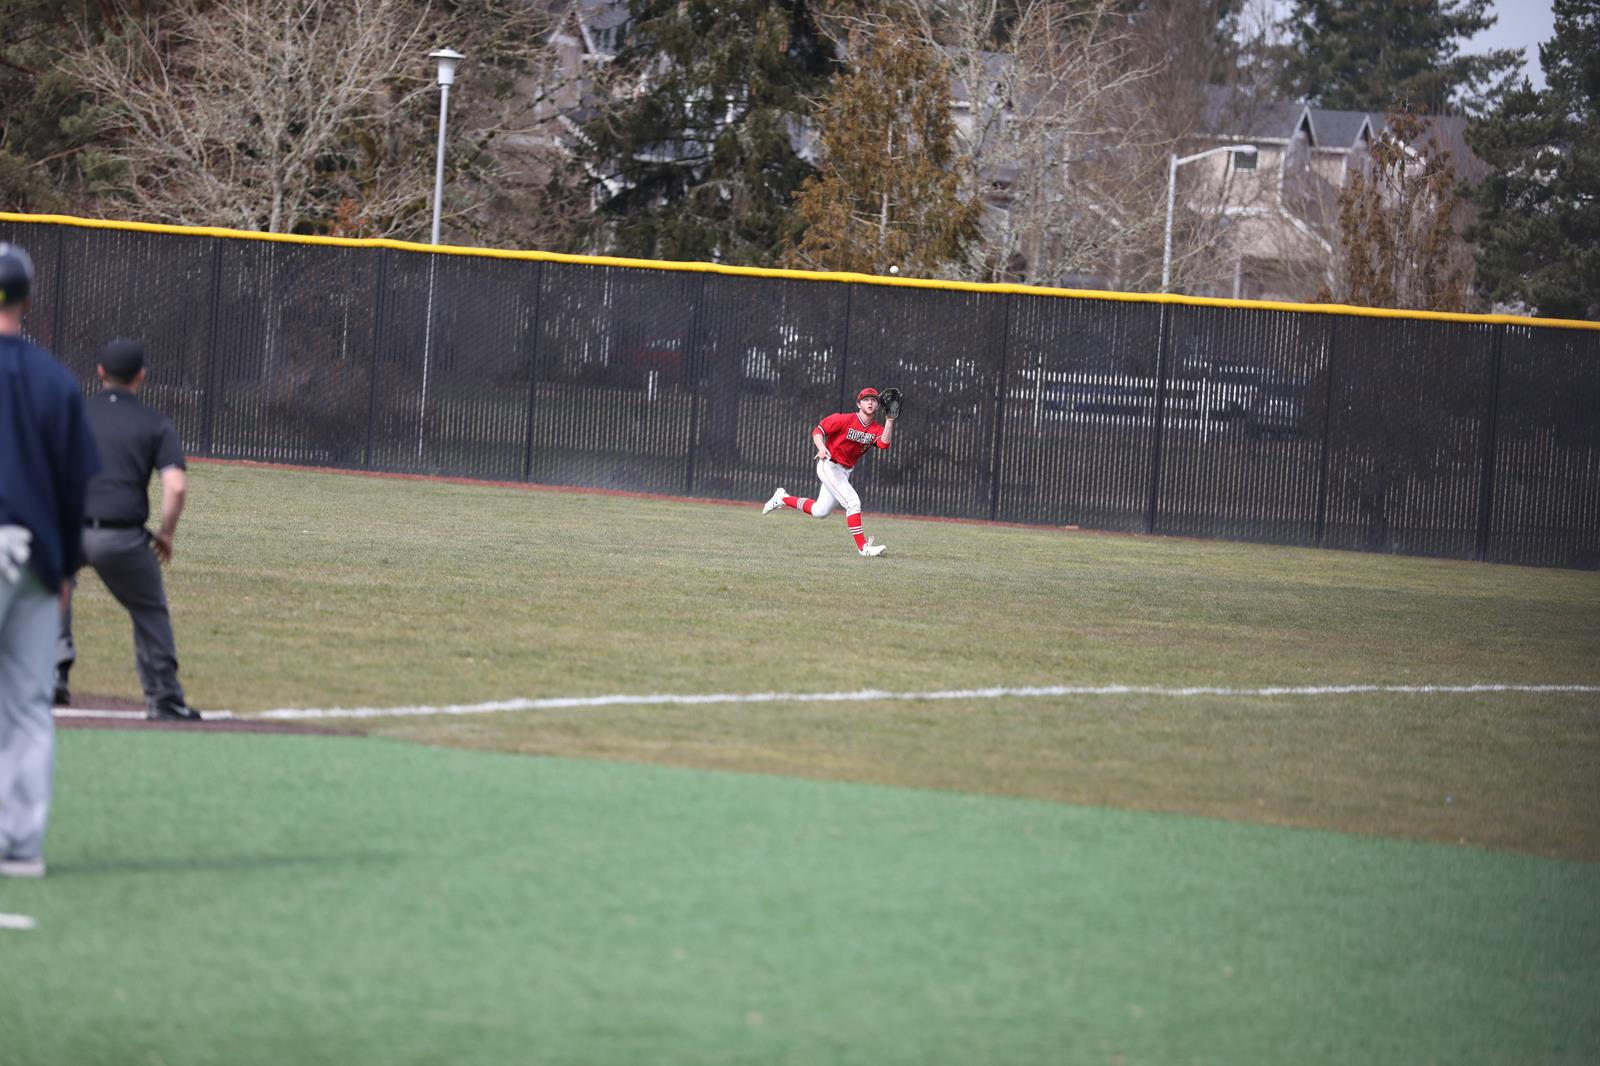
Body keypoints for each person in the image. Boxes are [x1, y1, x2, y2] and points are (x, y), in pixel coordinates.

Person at [0, 242, 101, 878]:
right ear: (27, 300)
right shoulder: (57, 380)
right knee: (29, 703)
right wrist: (65, 571)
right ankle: (21, 846)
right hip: (36, 556)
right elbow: (75, 488)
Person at [56, 338, 200, 722]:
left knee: (55, 586)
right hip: (120, 534)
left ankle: (53, 666)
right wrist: (166, 534)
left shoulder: (73, 413)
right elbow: (176, 485)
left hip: (67, 528)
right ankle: (164, 698)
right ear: (142, 376)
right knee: (149, 609)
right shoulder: (156, 423)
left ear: (100, 372)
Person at [761, 386, 896, 556]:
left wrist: (890, 420)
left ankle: (782, 498)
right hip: (829, 465)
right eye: (866, 399)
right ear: (858, 404)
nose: (870, 402)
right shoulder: (844, 419)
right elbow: (818, 431)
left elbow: (884, 444)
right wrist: (822, 447)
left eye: (874, 400)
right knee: (853, 502)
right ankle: (863, 548)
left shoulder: (875, 428)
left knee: (820, 511)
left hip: (845, 471)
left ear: (877, 405)